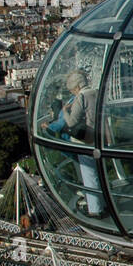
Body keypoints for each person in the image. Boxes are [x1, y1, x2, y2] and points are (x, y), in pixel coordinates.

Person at [48, 68, 105, 217]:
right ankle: (103, 204)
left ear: (77, 87)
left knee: (89, 175)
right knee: (97, 173)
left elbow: (72, 122)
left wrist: (65, 110)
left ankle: (95, 209)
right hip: (97, 137)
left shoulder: (81, 97)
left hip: (84, 141)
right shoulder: (96, 93)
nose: (73, 92)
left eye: (73, 90)